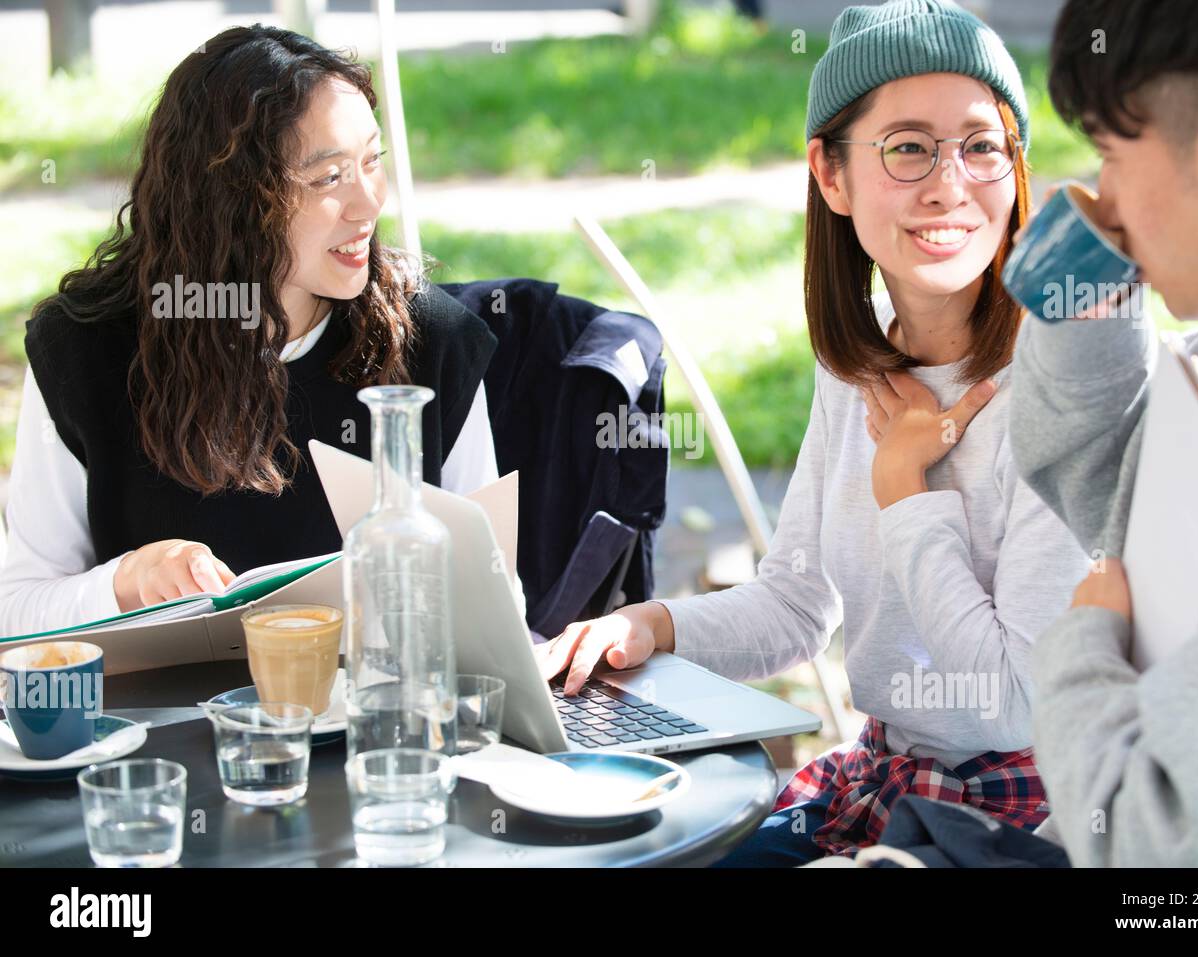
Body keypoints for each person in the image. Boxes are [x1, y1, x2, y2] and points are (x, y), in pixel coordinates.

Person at [536, 0, 1090, 865]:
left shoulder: (1061, 384)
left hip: (1024, 813)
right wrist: (648, 625)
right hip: (884, 775)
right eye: (908, 147)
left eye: (982, 145)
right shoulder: (857, 362)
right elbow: (798, 604)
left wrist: (908, 495)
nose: (950, 182)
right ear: (830, 176)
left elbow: (1010, 705)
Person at [0, 25, 498, 636]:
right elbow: (16, 614)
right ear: (233, 201)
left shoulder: (432, 341)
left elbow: (497, 605)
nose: (368, 203)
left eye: (372, 161)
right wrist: (127, 579)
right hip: (157, 729)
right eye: (328, 178)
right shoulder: (86, 348)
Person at [1010, 0, 1198, 865]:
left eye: (1110, 154)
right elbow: (1128, 505)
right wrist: (1082, 301)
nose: (1104, 194)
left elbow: (1165, 854)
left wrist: (1081, 647)